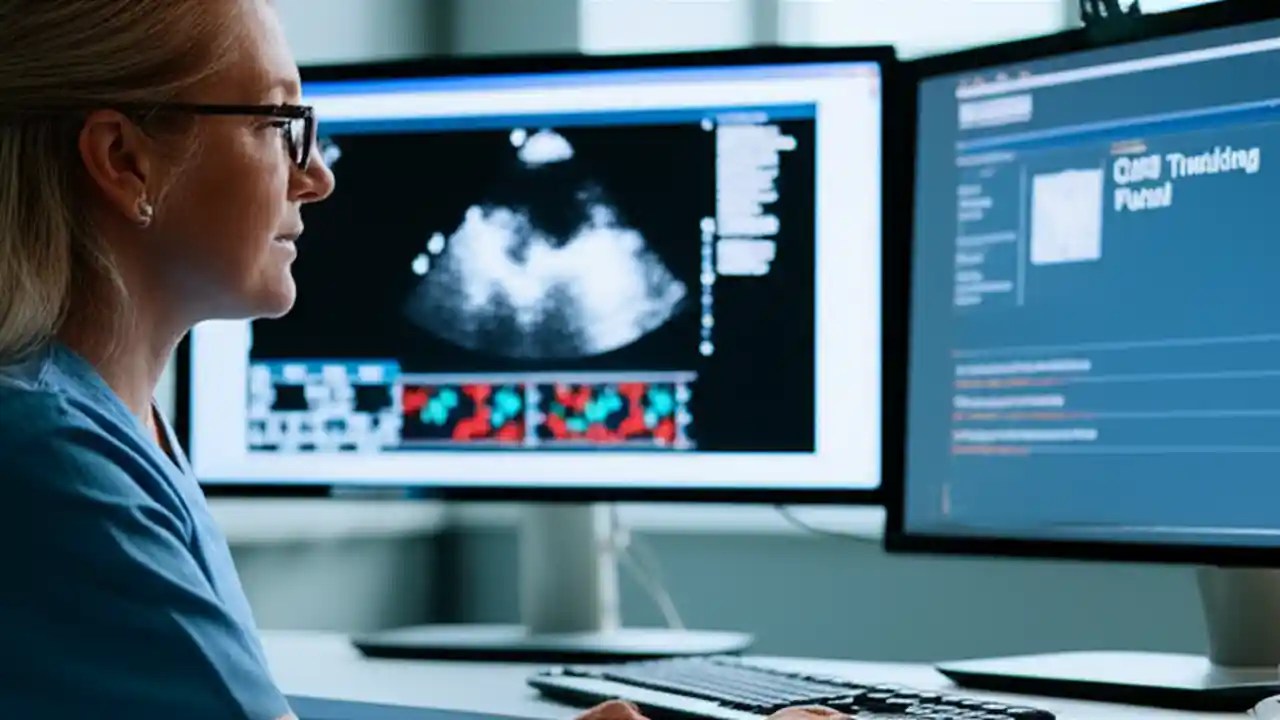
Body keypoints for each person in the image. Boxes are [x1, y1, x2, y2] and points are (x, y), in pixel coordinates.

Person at [0, 1, 849, 718]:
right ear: (122, 158)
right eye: (279, 125)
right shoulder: (53, 465)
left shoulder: (107, 432)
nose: (318, 177)